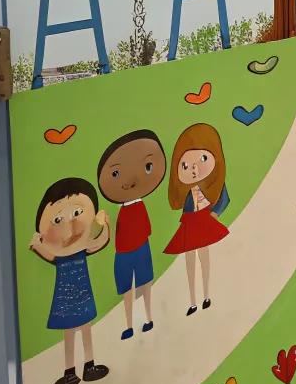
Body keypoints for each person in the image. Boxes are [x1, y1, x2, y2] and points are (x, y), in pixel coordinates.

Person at [29, 177, 110, 384]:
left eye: (77, 213)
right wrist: (37, 244)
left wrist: (105, 225)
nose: (70, 226)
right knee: (69, 334)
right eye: (57, 219)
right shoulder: (61, 256)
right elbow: (48, 254)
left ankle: (89, 365)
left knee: (86, 329)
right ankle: (69, 371)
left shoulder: (83, 249)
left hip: (83, 296)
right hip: (65, 299)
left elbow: (99, 242)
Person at [97, 129, 167, 340]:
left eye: (147, 166)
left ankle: (148, 318)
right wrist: (105, 224)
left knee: (145, 286)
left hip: (139, 249)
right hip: (124, 253)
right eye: (116, 174)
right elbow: (134, 231)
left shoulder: (138, 206)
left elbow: (146, 228)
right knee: (127, 291)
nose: (128, 180)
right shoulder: (124, 210)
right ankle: (129, 325)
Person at [164, 123, 229, 315]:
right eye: (185, 165)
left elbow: (224, 199)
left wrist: (213, 216)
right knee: (190, 262)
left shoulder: (213, 186)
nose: (194, 169)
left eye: (202, 159)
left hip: (203, 220)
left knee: (204, 259)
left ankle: (206, 295)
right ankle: (193, 300)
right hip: (189, 222)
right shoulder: (186, 190)